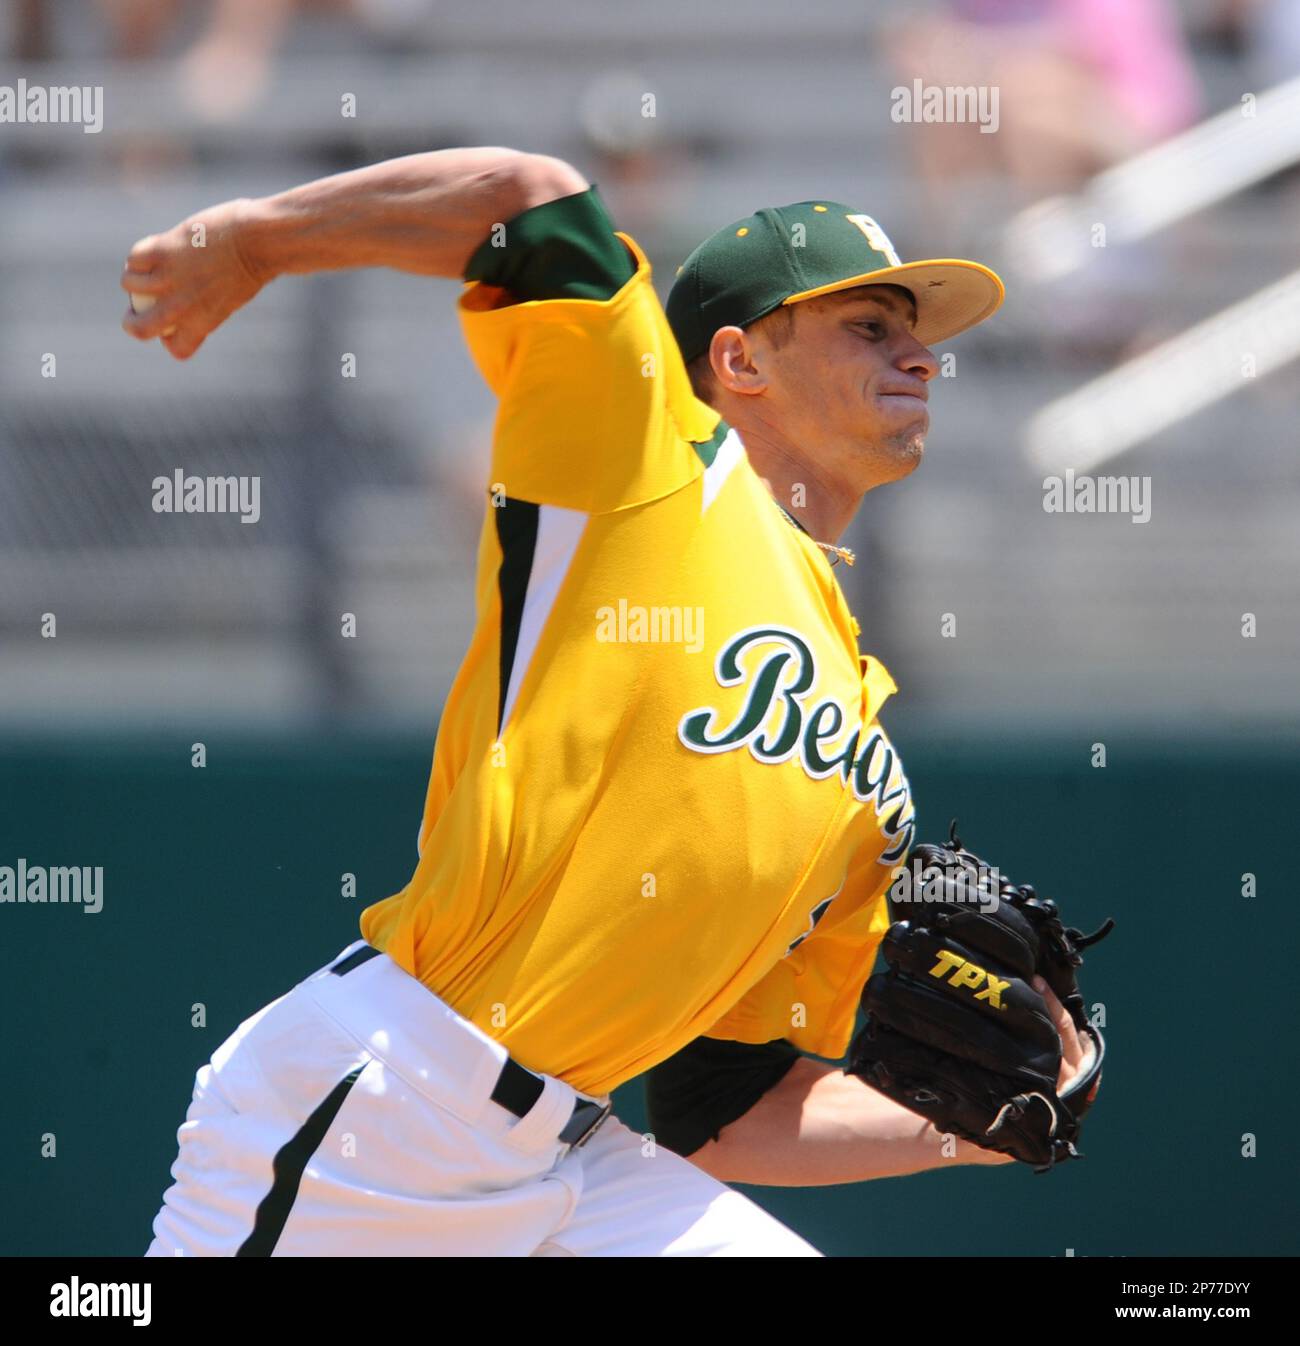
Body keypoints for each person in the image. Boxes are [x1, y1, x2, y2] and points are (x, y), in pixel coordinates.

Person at [125, 147, 1092, 1257]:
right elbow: (524, 200)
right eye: (869, 326)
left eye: (917, 335)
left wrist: (971, 1127)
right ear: (737, 360)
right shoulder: (651, 463)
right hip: (387, 1110)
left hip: (568, 1158)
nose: (921, 355)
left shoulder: (857, 717)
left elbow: (723, 1114)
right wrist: (257, 236)